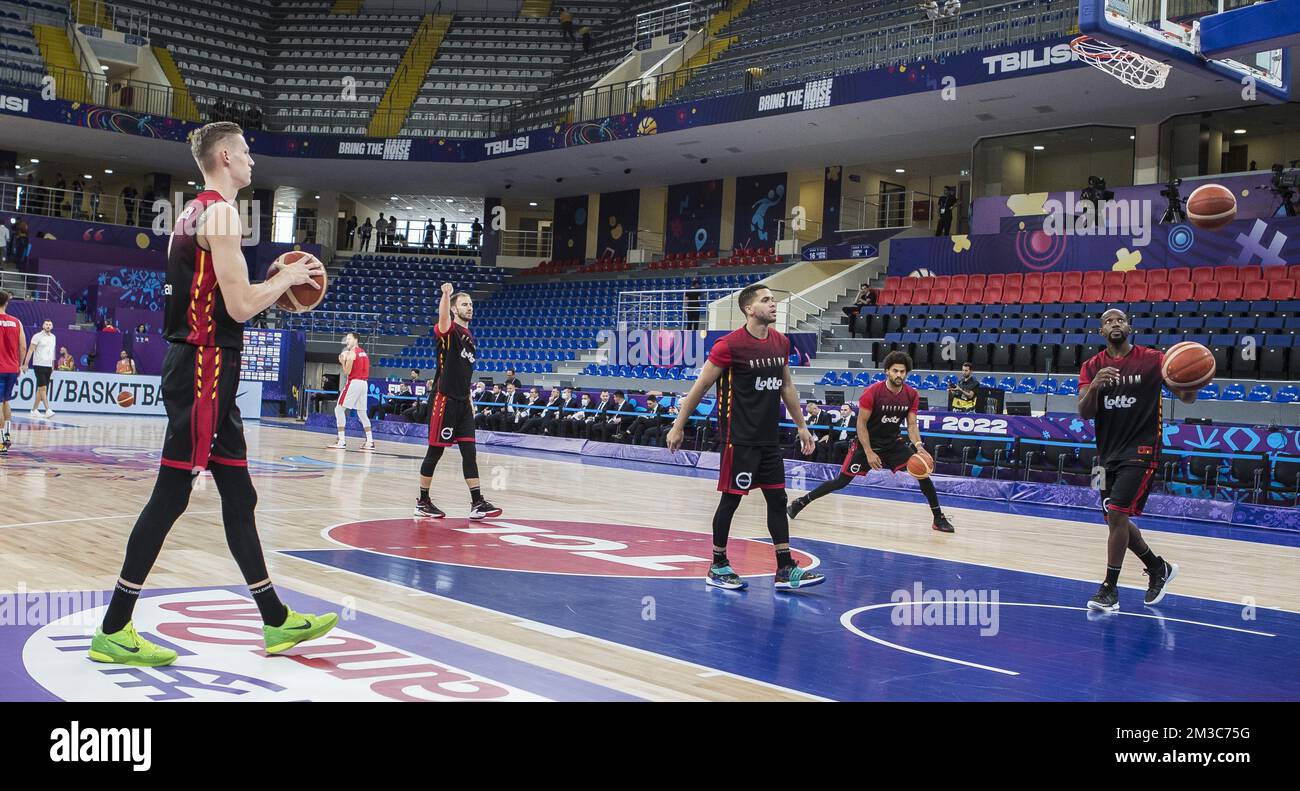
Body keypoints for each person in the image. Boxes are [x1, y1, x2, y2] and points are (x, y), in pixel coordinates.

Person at [89, 121, 337, 668]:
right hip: (204, 363)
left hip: (210, 364)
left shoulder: (192, 211)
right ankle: (113, 628)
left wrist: (275, 284)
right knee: (172, 494)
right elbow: (244, 304)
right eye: (246, 152)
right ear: (224, 156)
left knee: (240, 494)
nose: (253, 161)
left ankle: (275, 619)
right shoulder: (222, 214)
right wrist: (288, 279)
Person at [665, 284, 823, 590]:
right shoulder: (729, 345)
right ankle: (718, 564)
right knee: (731, 501)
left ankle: (784, 568)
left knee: (778, 500)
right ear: (749, 309)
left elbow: (786, 386)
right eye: (766, 300)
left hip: (769, 440)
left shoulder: (780, 342)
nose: (773, 304)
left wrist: (802, 425)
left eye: (774, 299)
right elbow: (700, 387)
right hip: (738, 440)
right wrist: (678, 425)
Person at [1078, 308, 1193, 612]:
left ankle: (1109, 589)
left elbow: (1186, 397)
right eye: (1108, 321)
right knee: (1113, 521)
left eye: (1120, 319)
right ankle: (1158, 568)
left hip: (1142, 451)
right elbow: (1084, 412)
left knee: (1117, 515)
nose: (1115, 324)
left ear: (1129, 326)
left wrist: (1193, 378)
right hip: (1103, 457)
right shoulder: (1091, 367)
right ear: (1101, 332)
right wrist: (1096, 386)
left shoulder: (1153, 359)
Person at [787, 351, 956, 533]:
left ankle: (938, 518)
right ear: (887, 371)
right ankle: (801, 502)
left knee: (922, 474)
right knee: (841, 482)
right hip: (866, 443)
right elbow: (861, 424)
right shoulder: (873, 392)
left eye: (902, 371)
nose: (899, 375)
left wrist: (919, 447)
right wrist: (868, 452)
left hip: (893, 443)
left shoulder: (911, 394)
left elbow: (912, 425)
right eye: (895, 371)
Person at [415, 283, 502, 520]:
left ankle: (477, 502)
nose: (470, 307)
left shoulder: (470, 336)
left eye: (471, 304)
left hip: (463, 402)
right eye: (465, 304)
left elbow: (464, 372)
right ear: (454, 309)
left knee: (470, 452)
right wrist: (445, 295)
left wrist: (471, 398)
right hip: (445, 400)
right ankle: (422, 501)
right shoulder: (449, 330)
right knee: (435, 451)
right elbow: (442, 317)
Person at [328, 332, 374, 450]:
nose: (347, 341)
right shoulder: (364, 353)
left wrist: (342, 361)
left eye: (349, 339)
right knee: (362, 413)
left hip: (354, 383)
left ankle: (341, 441)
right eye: (346, 339)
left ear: (356, 340)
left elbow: (347, 372)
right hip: (364, 383)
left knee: (338, 409)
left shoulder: (352, 353)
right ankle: (370, 441)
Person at [0, 290, 27, 452]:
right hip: (12, 368)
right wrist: (20, 364)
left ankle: (1, 441)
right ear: (7, 303)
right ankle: (7, 435)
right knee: (6, 401)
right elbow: (23, 346)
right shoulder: (17, 322)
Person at [23, 318, 56, 418]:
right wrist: (25, 364)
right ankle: (47, 410)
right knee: (43, 387)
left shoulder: (53, 337)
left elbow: (52, 352)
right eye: (46, 324)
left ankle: (34, 410)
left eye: (50, 325)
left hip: (48, 366)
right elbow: (30, 350)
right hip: (38, 364)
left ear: (52, 326)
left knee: (40, 389)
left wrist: (53, 365)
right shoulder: (37, 336)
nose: (48, 326)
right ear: (43, 326)